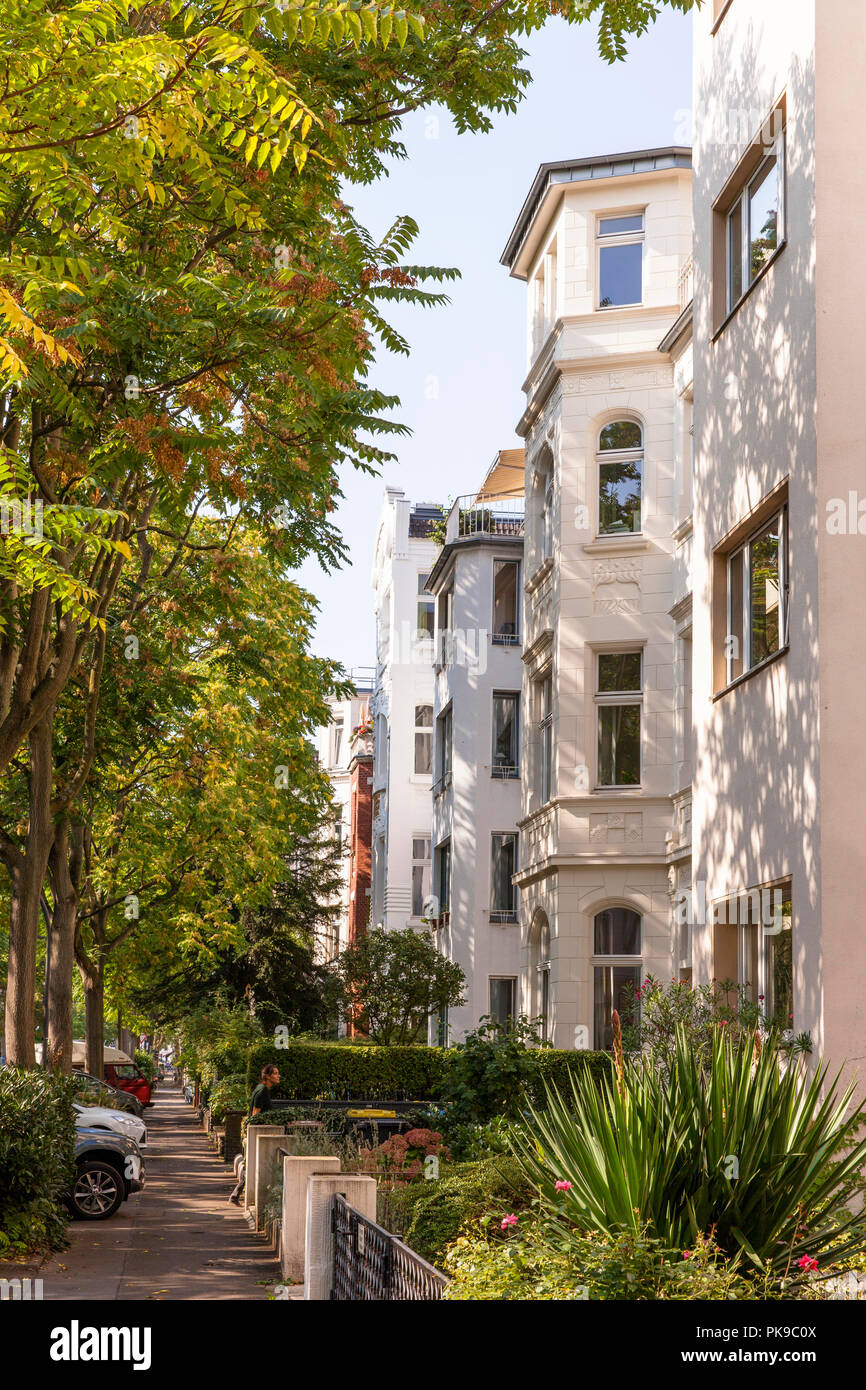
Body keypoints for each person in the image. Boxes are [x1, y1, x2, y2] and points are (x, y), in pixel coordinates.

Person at [228, 1063, 281, 1205]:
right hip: (255, 1134)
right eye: (275, 1073)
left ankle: (235, 1194)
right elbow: (255, 1115)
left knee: (249, 1165)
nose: (278, 1076)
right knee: (250, 1165)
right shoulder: (262, 1090)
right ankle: (235, 1194)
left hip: (254, 1134)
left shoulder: (262, 1089)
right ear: (268, 1076)